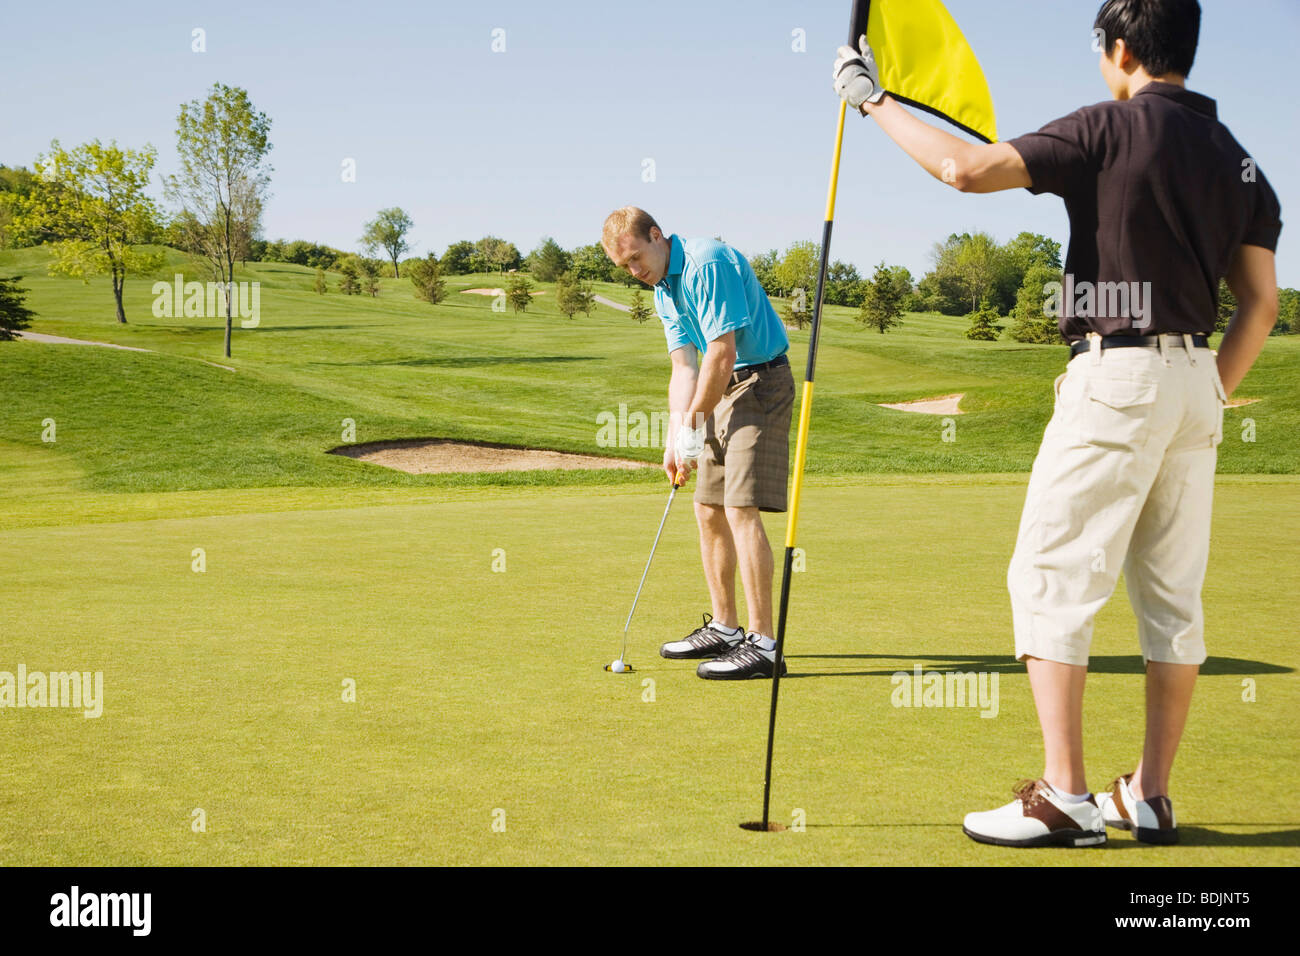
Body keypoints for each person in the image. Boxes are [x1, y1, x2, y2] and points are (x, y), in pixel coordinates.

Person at [832, 0, 1281, 846]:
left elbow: (964, 172)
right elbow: (1258, 306)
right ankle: (1147, 795)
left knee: (1050, 576)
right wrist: (1207, 391)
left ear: (1118, 48)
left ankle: (1065, 798)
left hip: (1120, 373)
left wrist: (872, 101)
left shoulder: (1106, 128)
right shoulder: (1241, 160)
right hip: (1196, 386)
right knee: (1173, 600)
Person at [601, 206, 795, 680]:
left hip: (761, 383)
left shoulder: (707, 263)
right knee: (707, 507)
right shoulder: (663, 289)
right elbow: (684, 368)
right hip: (720, 387)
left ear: (656, 235)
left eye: (635, 258)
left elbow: (722, 351)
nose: (634, 272)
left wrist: (692, 424)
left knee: (739, 507)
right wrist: (675, 437)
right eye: (624, 268)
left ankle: (764, 644)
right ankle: (726, 629)